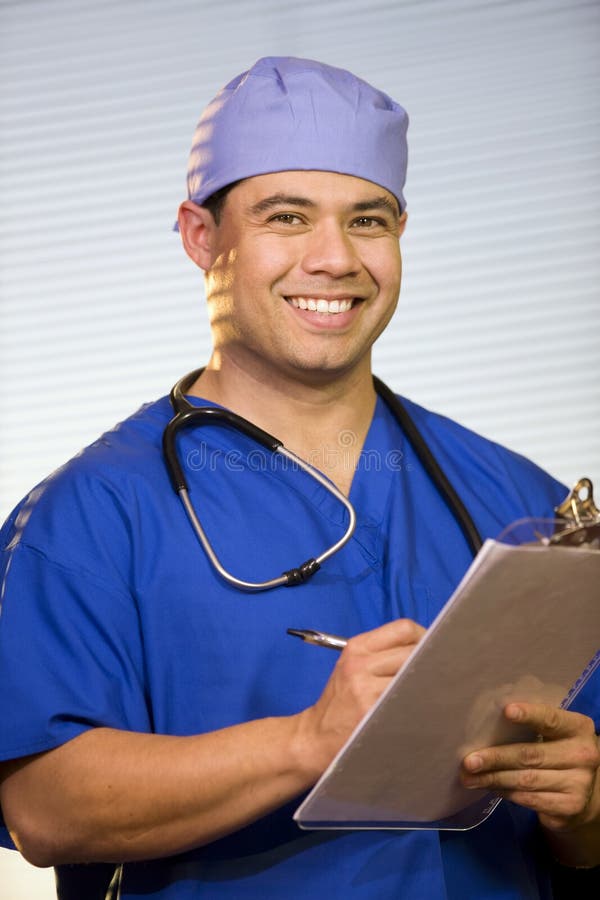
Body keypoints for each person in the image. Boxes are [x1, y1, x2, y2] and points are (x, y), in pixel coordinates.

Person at [0, 56, 598, 900]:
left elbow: (585, 822)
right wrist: (308, 742)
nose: (335, 259)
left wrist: (585, 813)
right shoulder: (95, 512)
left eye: (368, 220)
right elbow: (41, 811)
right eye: (287, 217)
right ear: (202, 238)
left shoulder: (525, 503)